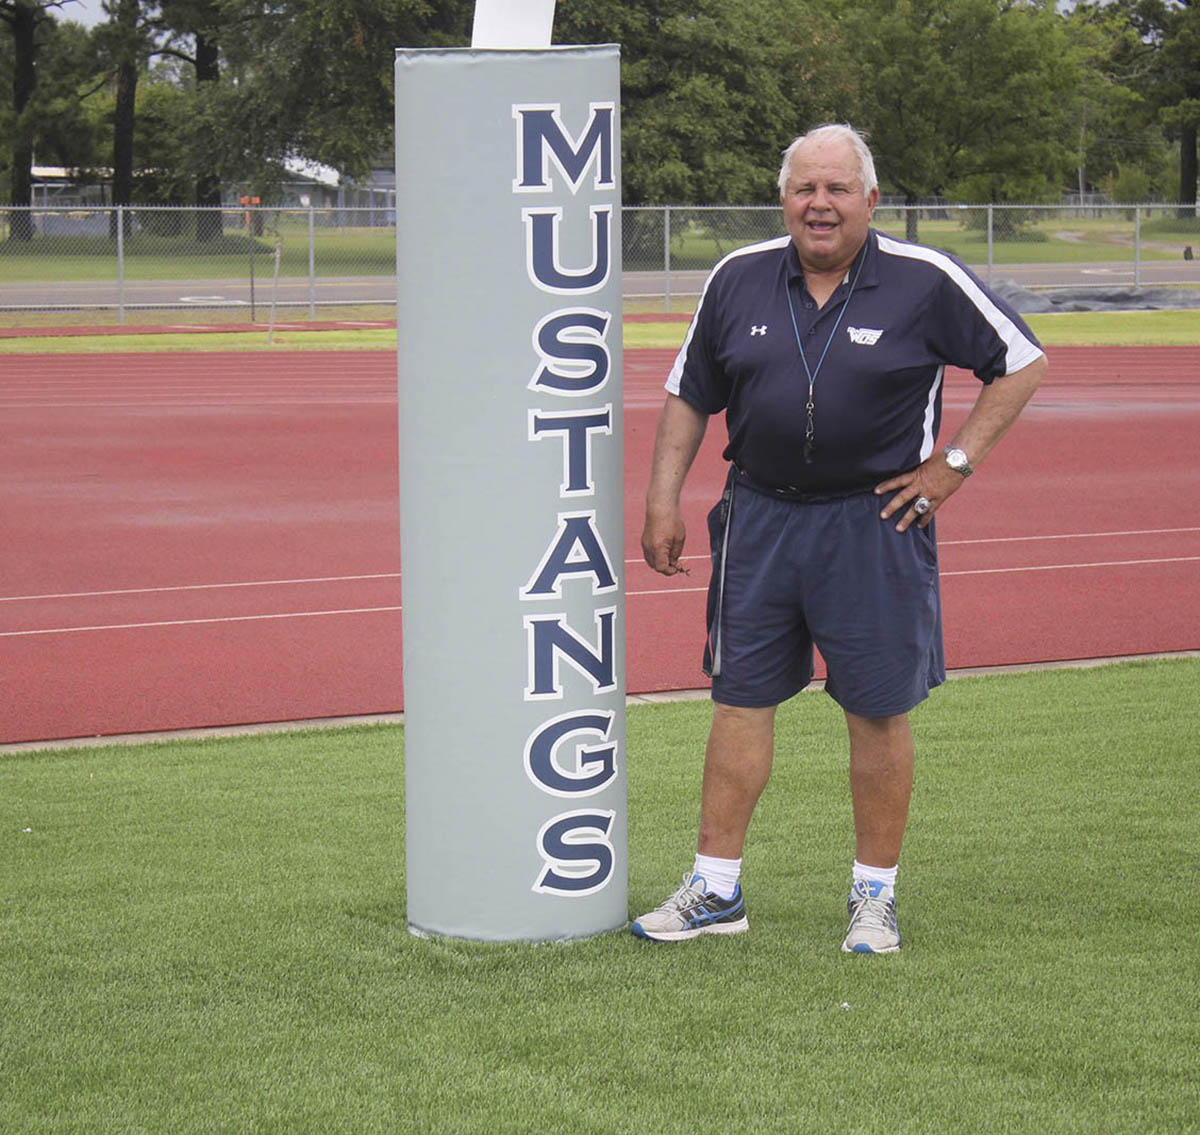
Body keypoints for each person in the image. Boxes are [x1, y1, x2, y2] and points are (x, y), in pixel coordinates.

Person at [632, 123, 1047, 952]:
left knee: (877, 708)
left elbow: (1023, 360)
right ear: (784, 198)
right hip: (759, 518)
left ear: (870, 199)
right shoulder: (738, 275)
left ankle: (874, 896)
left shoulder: (923, 278)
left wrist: (952, 465)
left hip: (874, 521)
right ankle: (715, 888)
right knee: (739, 699)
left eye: (837, 189)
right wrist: (661, 500)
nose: (819, 204)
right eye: (804, 189)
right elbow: (690, 393)